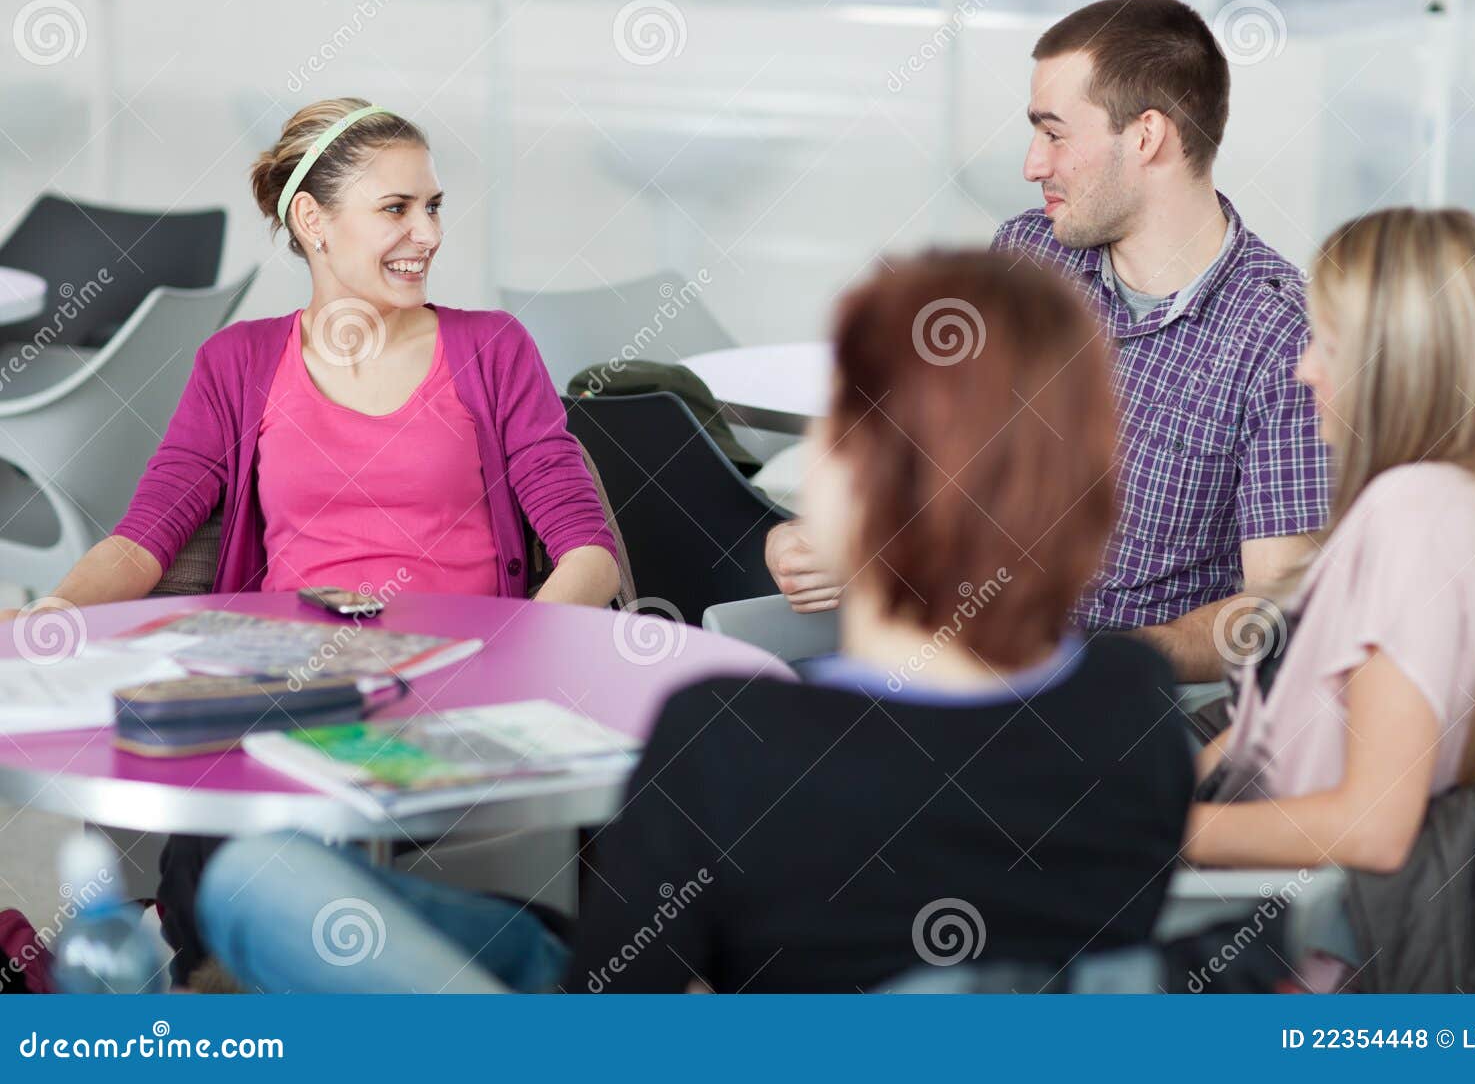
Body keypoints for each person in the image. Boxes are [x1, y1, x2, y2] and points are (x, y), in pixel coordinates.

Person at [197, 250, 1195, 993]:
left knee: (255, 877)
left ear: (853, 472)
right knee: (499, 923)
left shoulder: (733, 736)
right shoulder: (1134, 704)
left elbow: (613, 1006)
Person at [2, 98, 620, 982]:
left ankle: (199, 953)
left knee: (231, 867)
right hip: (288, 685)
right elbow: (146, 538)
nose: (428, 233)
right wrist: (51, 617)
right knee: (224, 837)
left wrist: (501, 666)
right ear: (312, 220)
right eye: (397, 208)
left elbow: (587, 548)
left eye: (433, 206)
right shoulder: (240, 362)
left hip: (459, 686)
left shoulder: (493, 349)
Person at [767, 0, 1330, 684]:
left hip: (1117, 713)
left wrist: (1077, 668)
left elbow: (1273, 611)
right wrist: (844, 543)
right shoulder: (1032, 257)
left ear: (1147, 136)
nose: (1033, 165)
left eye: (1054, 133)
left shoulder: (1280, 337)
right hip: (954, 656)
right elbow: (952, 469)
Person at [1184, 209, 1475, 918]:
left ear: (1403, 368)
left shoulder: (1415, 512)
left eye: (1328, 345)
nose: (1305, 370)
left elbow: (1374, 824)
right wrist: (1125, 798)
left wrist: (1152, 833)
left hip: (1289, 943)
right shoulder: (1460, 505)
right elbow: (1263, 738)